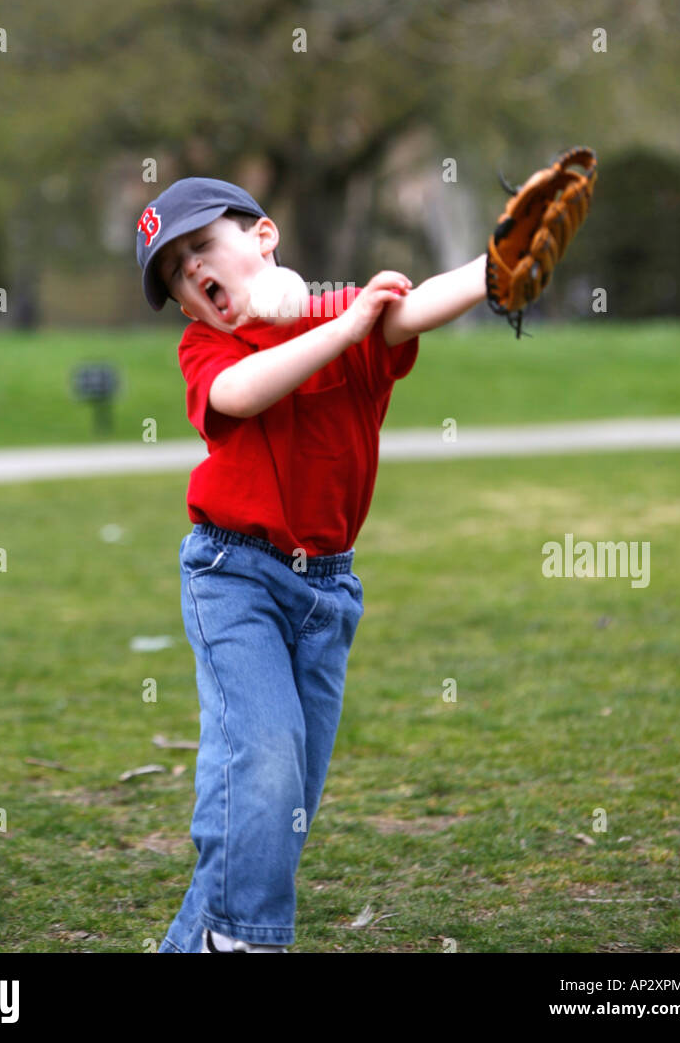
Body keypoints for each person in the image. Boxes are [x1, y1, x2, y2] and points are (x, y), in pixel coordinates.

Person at [136, 177, 486, 953]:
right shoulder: (209, 347)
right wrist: (345, 327)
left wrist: (495, 268)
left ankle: (208, 939)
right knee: (260, 764)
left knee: (286, 793)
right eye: (174, 273)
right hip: (235, 577)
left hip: (327, 592)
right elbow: (241, 393)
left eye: (202, 245)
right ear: (185, 307)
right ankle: (243, 940)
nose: (191, 270)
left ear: (263, 236)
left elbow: (415, 307)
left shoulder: (344, 315)